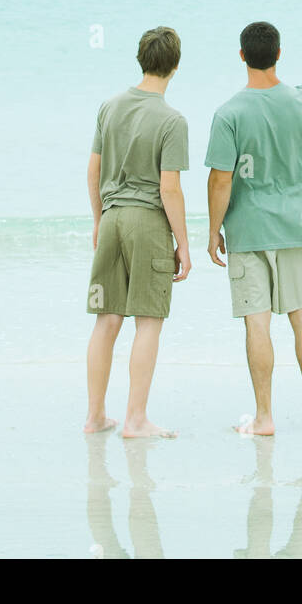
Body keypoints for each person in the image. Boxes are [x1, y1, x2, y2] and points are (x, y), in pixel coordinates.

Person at [205, 22, 302, 435]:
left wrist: (212, 231)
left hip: (248, 230)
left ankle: (264, 417)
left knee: (256, 324)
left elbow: (220, 180)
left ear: (242, 56)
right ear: (278, 55)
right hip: (296, 228)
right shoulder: (300, 100)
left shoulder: (229, 113)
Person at [84, 26, 190, 438]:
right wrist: (183, 243)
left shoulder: (109, 107)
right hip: (147, 222)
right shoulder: (172, 120)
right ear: (174, 67)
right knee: (148, 321)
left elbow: (93, 170)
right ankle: (135, 419)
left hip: (111, 218)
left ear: (140, 59)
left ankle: (95, 416)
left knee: (106, 319)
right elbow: (170, 188)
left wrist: (99, 219)